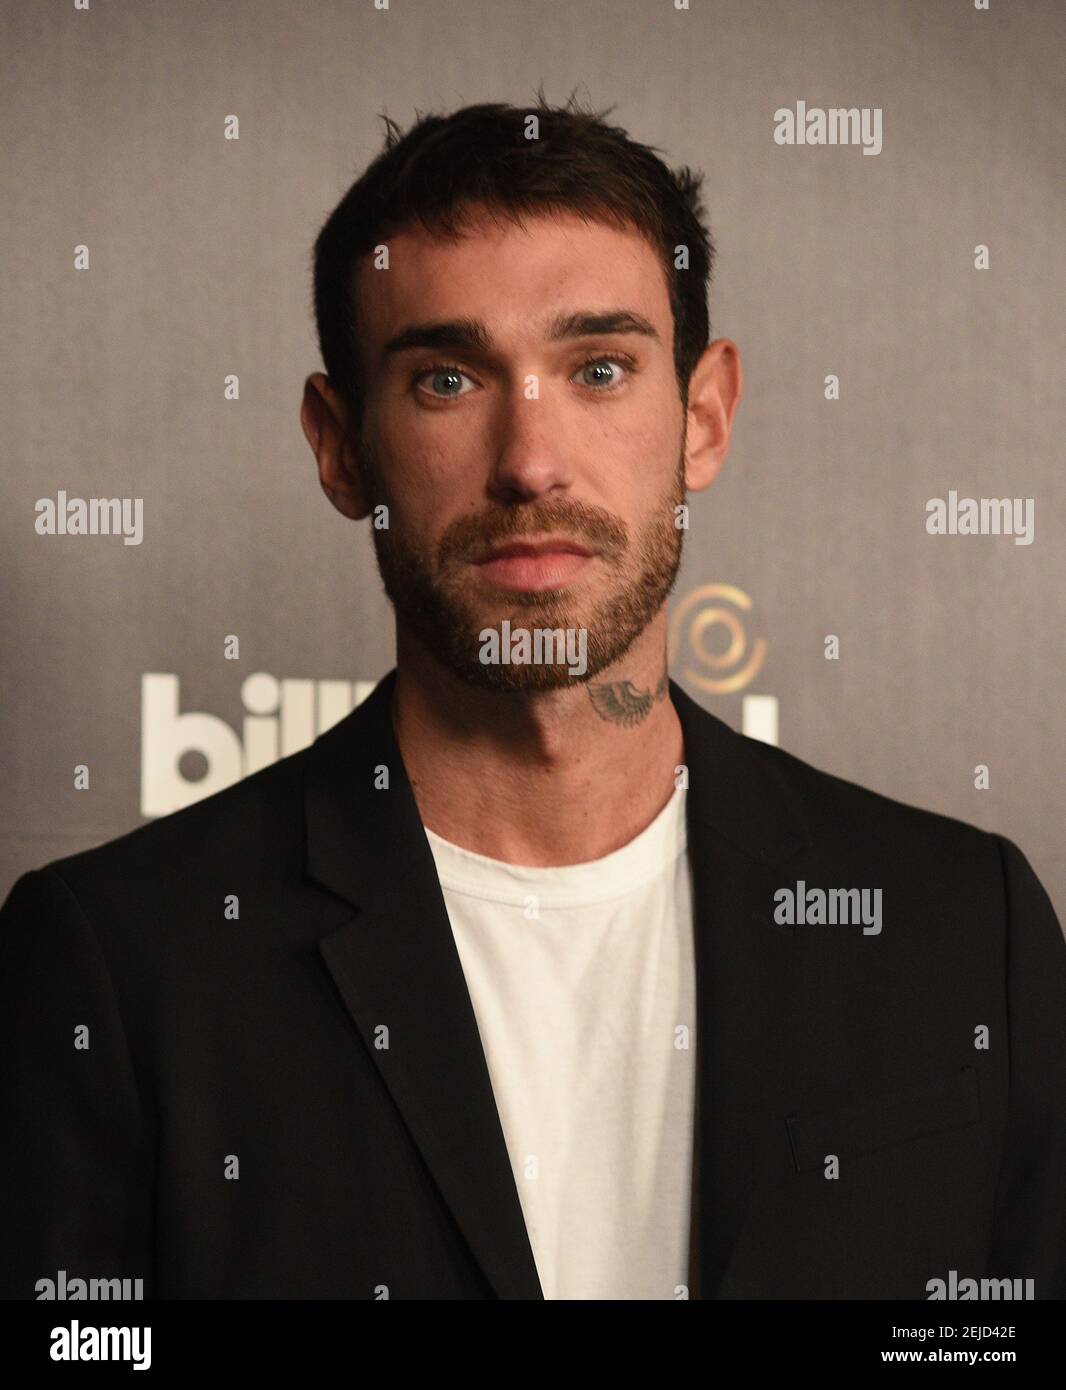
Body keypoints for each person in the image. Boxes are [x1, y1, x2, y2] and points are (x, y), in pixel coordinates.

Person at [2, 96, 1064, 1301]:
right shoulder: (125, 962)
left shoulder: (963, 930)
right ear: (340, 445)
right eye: (448, 378)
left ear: (702, 418)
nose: (531, 459)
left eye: (599, 368)